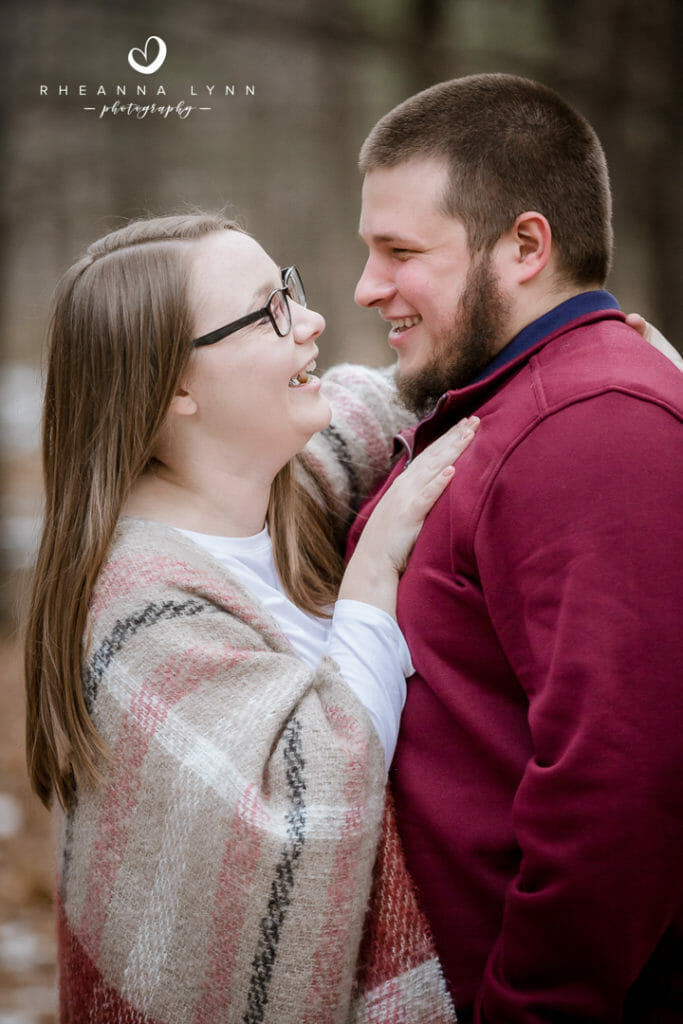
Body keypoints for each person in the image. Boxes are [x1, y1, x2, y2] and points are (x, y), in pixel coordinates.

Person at [23, 213, 479, 1023]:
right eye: (270, 310)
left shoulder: (295, 485)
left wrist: (590, 347)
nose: (311, 320)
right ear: (177, 389)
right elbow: (312, 805)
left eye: (290, 290)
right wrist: (372, 571)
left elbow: (389, 398)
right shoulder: (136, 620)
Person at [348, 73, 683, 1023]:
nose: (369, 286)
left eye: (400, 252)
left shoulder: (597, 428)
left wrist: (527, 1009)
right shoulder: (511, 402)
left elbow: (622, 790)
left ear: (524, 245)